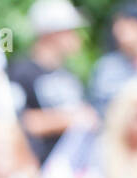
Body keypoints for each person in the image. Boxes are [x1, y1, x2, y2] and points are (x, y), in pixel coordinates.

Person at [8, 0, 94, 164]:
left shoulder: (69, 75)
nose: (76, 36)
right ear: (51, 33)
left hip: (74, 165)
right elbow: (17, 121)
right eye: (69, 31)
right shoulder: (21, 72)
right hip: (39, 164)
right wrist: (69, 119)